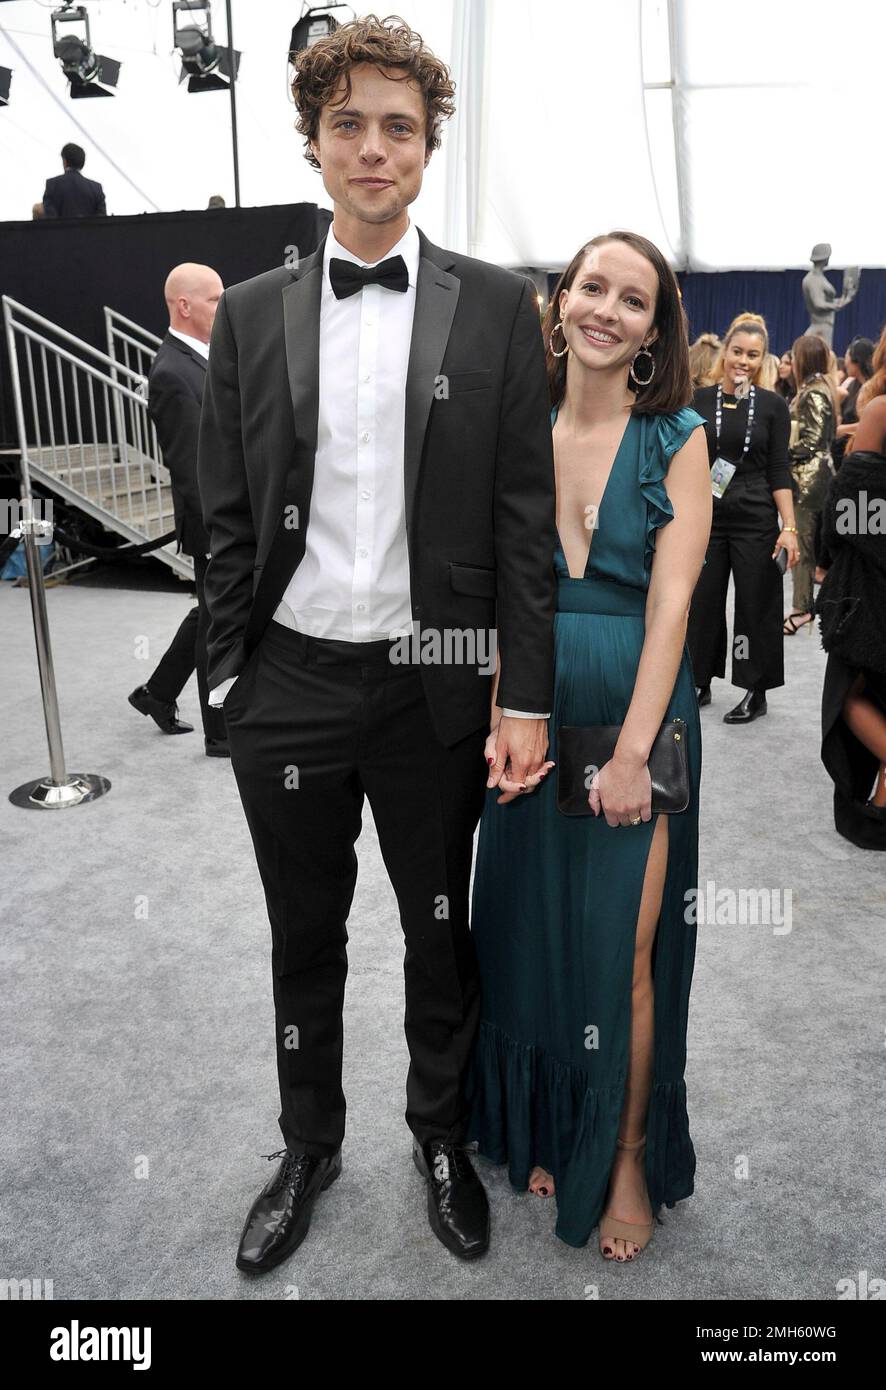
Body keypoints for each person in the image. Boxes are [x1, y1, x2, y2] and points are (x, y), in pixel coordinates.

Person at [197, 15, 557, 1272]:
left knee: (434, 921)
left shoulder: (503, 308)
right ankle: (308, 1143)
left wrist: (528, 697)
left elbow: (522, 517)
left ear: (427, 147)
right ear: (313, 140)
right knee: (304, 928)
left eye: (397, 125)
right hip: (288, 673)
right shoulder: (247, 315)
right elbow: (227, 514)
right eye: (346, 122)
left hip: (434, 680)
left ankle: (439, 1135)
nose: (371, 145)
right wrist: (230, 673)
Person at [467, 229, 711, 1259]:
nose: (607, 309)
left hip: (633, 707)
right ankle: (541, 1120)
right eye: (592, 287)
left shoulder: (677, 438)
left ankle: (622, 1155)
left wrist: (629, 757)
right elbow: (490, 588)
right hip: (528, 702)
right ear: (561, 301)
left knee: (625, 953)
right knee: (524, 935)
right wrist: (495, 716)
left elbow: (671, 611)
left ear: (655, 331)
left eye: (634, 299)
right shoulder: (512, 428)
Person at [129, 263, 228, 755]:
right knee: (214, 621)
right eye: (214, 299)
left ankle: (157, 693)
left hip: (225, 517)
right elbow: (190, 468)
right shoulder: (171, 371)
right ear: (184, 306)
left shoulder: (201, 358)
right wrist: (223, 530)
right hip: (214, 522)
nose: (223, 305)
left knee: (207, 613)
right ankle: (220, 734)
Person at [687, 314, 800, 720]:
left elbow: (779, 468)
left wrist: (788, 527)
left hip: (755, 517)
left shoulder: (772, 406)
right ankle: (698, 680)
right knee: (702, 601)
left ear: (762, 358)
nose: (743, 361)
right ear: (725, 351)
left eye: (753, 355)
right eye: (737, 351)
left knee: (756, 604)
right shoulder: (698, 400)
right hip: (707, 516)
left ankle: (756, 687)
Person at [817, 381, 886, 850]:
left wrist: (826, 551)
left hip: (872, 590)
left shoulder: (881, 408)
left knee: (848, 691)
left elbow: (851, 499)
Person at [783, 333, 838, 634]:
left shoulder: (814, 392)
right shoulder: (817, 388)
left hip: (808, 478)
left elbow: (813, 441)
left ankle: (802, 609)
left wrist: (782, 451)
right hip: (813, 476)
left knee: (802, 544)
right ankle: (804, 606)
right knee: (806, 544)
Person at [41, 143, 106, 218]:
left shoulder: (52, 185)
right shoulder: (96, 188)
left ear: (64, 161)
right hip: (89, 230)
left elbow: (49, 220)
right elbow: (101, 222)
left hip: (61, 230)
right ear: (83, 163)